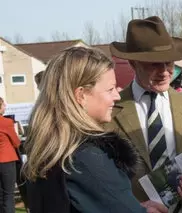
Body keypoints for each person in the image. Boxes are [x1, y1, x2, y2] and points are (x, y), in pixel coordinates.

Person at [23, 47, 168, 213]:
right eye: (110, 89)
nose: (117, 96)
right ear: (81, 95)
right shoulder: (85, 158)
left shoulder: (54, 150)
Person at [106, 16, 182, 213]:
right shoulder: (110, 111)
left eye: (169, 63)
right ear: (133, 63)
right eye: (154, 64)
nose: (164, 72)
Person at [0, 97, 21, 213]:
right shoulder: (6, 122)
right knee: (8, 194)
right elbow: (16, 142)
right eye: (3, 105)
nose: (5, 107)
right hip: (6, 161)